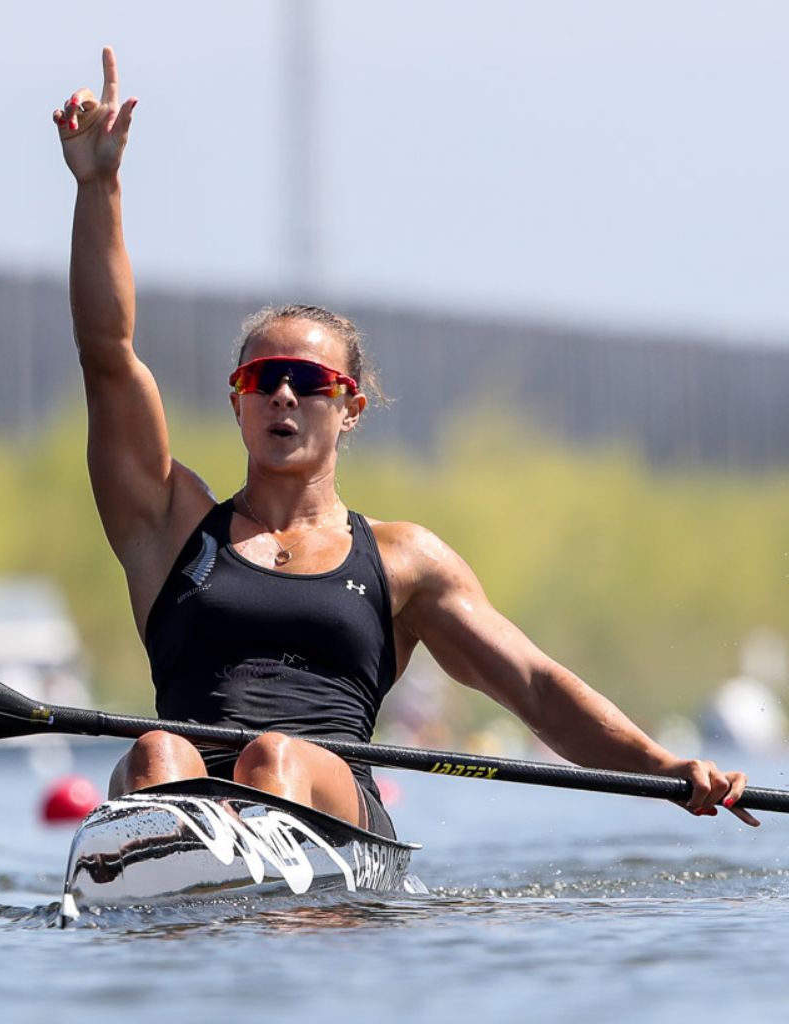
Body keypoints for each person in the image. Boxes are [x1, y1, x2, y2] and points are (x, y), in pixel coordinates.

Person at [52, 47, 759, 837]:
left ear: (348, 408)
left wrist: (664, 767)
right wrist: (99, 187)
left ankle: (240, 909)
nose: (285, 393)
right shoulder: (170, 524)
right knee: (154, 752)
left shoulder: (403, 563)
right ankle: (171, 907)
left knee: (272, 759)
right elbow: (108, 358)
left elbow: (534, 686)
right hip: (181, 800)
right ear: (239, 403)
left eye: (309, 380)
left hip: (324, 809)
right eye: (264, 379)